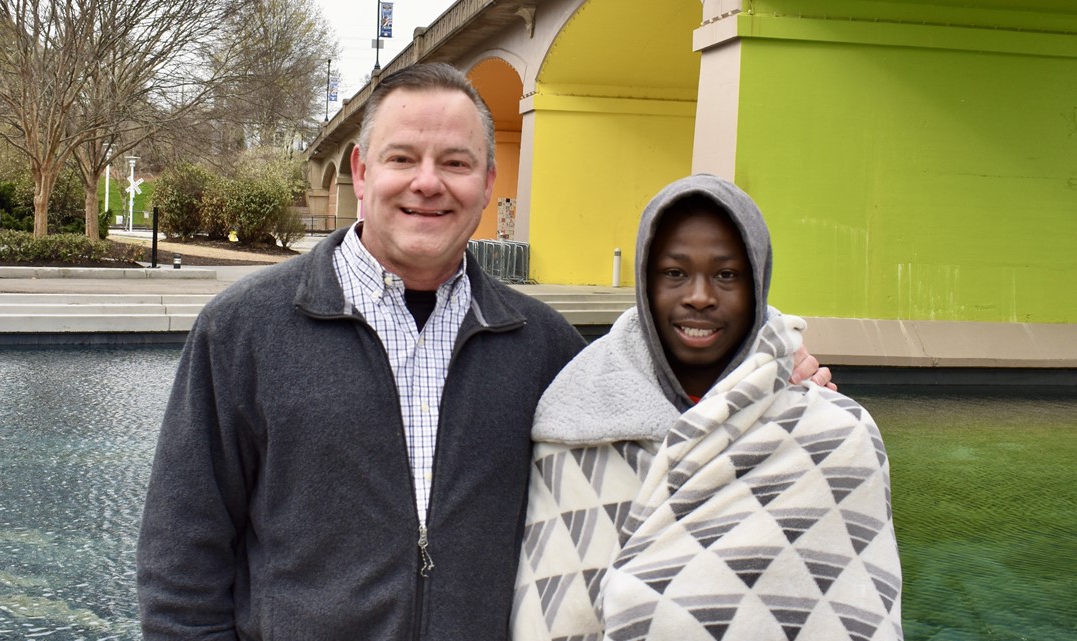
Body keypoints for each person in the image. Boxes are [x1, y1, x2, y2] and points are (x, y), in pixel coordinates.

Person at [136, 63, 832, 640]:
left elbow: (673, 424)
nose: (428, 182)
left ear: (489, 182)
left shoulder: (548, 348)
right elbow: (181, 567)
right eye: (403, 158)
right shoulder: (244, 332)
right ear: (361, 168)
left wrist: (775, 378)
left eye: (456, 163)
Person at [512, 174, 901, 641]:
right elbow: (550, 609)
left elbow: (848, 610)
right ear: (645, 283)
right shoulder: (571, 426)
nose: (699, 296)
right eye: (675, 273)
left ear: (757, 285)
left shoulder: (834, 438)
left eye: (726, 275)